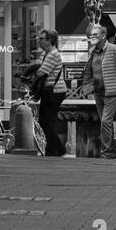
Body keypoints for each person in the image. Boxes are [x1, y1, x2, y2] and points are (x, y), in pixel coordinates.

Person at [85, 23, 116, 159]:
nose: (91, 37)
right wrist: (87, 88)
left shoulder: (115, 49)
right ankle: (112, 153)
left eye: (94, 35)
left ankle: (105, 153)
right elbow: (88, 71)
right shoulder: (93, 51)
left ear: (103, 36)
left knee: (105, 122)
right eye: (90, 35)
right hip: (98, 92)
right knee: (106, 123)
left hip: (111, 92)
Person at [24, 29, 69, 157]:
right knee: (45, 121)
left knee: (46, 121)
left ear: (50, 40)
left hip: (55, 92)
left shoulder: (53, 54)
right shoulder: (45, 53)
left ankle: (56, 151)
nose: (39, 40)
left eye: (42, 38)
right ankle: (55, 150)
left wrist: (29, 74)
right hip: (48, 91)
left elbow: (40, 72)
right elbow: (38, 67)